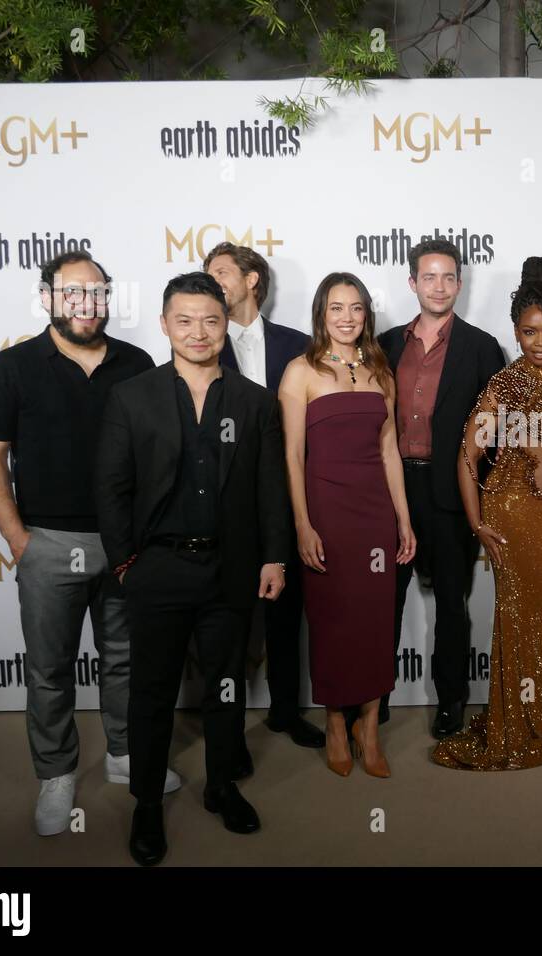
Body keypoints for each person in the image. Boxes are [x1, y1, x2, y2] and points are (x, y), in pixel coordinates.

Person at [0, 249, 171, 837]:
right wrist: (19, 540)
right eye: (73, 294)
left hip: (125, 543)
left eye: (97, 293)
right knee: (50, 669)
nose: (87, 305)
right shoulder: (10, 368)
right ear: (48, 298)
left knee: (125, 660)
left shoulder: (136, 363)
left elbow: (156, 456)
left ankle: (125, 754)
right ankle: (56, 774)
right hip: (48, 543)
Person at [95, 272, 291, 866]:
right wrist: (127, 562)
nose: (199, 332)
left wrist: (274, 554)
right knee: (152, 695)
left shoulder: (254, 401)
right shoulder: (133, 397)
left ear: (225, 322)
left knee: (226, 688)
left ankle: (221, 787)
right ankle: (148, 806)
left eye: (210, 320)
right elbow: (111, 487)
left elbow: (270, 488)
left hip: (229, 571)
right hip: (157, 569)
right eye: (184, 320)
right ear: (164, 325)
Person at [432, 257, 542, 771]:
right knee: (522, 620)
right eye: (528, 332)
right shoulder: (503, 385)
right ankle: (523, 720)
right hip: (516, 516)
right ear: (515, 332)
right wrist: (478, 521)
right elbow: (467, 456)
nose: (540, 342)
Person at [278, 272, 415, 777]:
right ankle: (336, 721)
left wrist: (403, 518)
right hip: (327, 513)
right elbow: (292, 456)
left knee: (377, 621)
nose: (347, 317)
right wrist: (302, 524)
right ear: (321, 313)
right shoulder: (300, 372)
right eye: (337, 308)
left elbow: (389, 451)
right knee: (333, 619)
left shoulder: (381, 371)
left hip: (374, 512)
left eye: (356, 308)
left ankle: (370, 724)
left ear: (367, 314)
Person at [205, 241, 326, 768]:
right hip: (227, 502)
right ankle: (227, 736)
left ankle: (284, 710)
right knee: (228, 621)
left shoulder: (299, 346)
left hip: (288, 497)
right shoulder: (201, 346)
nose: (213, 281)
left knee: (285, 612)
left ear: (252, 280)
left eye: (222, 273)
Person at [377, 239, 504, 738]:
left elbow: (500, 431)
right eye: (429, 277)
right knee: (385, 600)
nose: (439, 286)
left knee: (452, 603)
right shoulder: (384, 343)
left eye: (448, 277)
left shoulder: (481, 346)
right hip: (391, 489)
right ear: (412, 283)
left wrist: (483, 492)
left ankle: (451, 701)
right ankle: (376, 697)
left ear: (460, 283)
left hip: (452, 491)